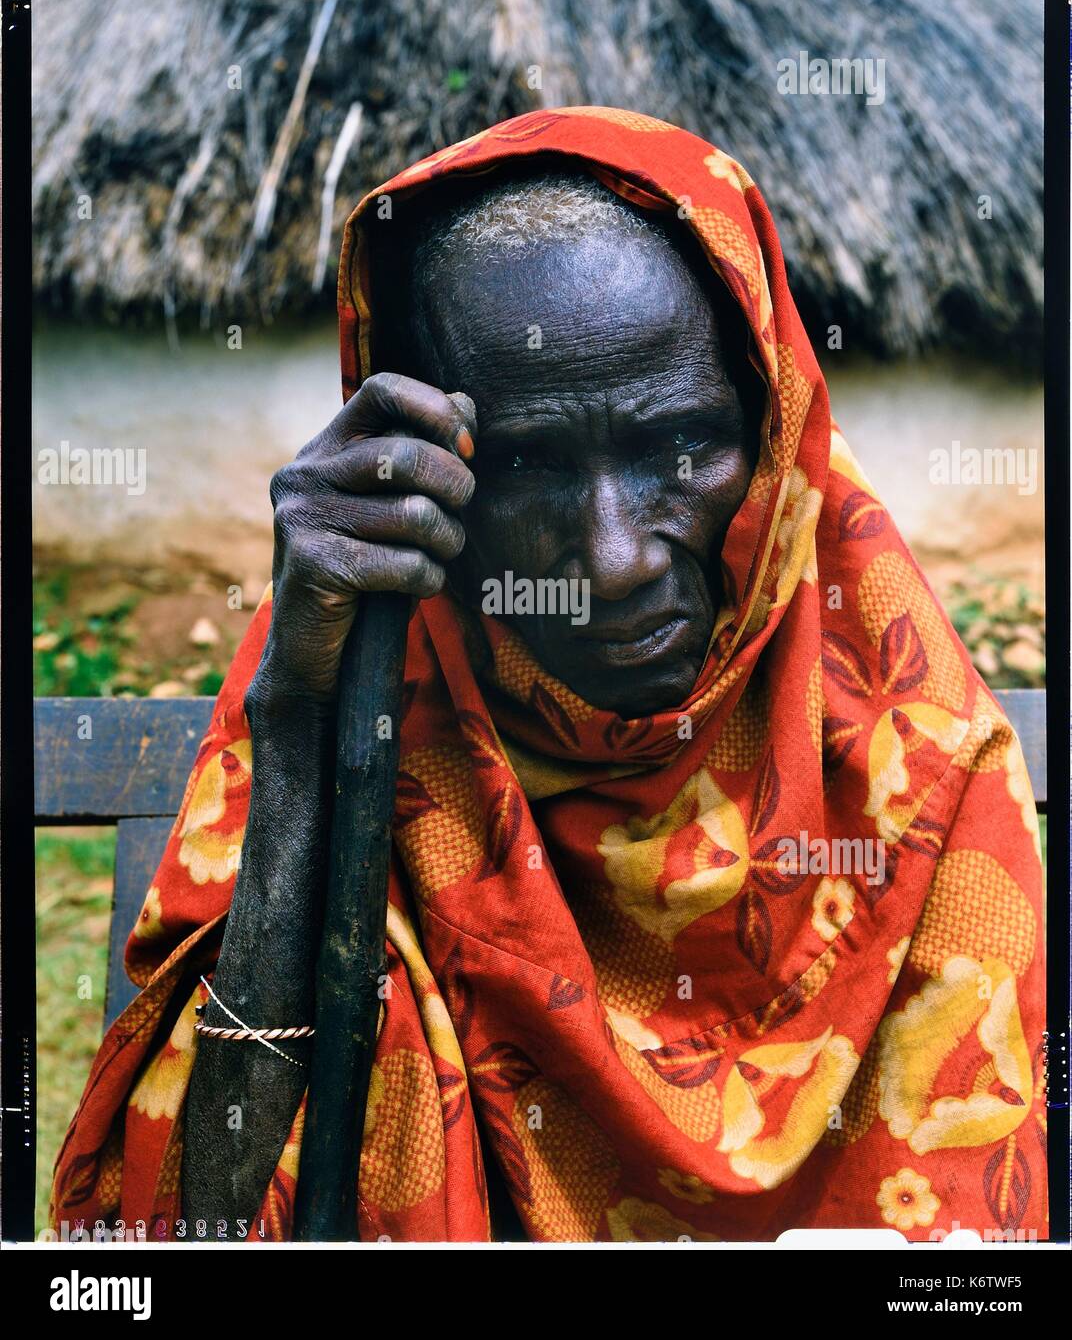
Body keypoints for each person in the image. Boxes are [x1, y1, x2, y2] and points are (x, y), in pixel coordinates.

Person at [51, 108, 1047, 1244]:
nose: (613, 560)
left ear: (771, 427)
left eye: (680, 448)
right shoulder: (370, 688)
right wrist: (294, 732)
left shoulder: (910, 760)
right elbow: (188, 1231)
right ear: (424, 468)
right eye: (525, 464)